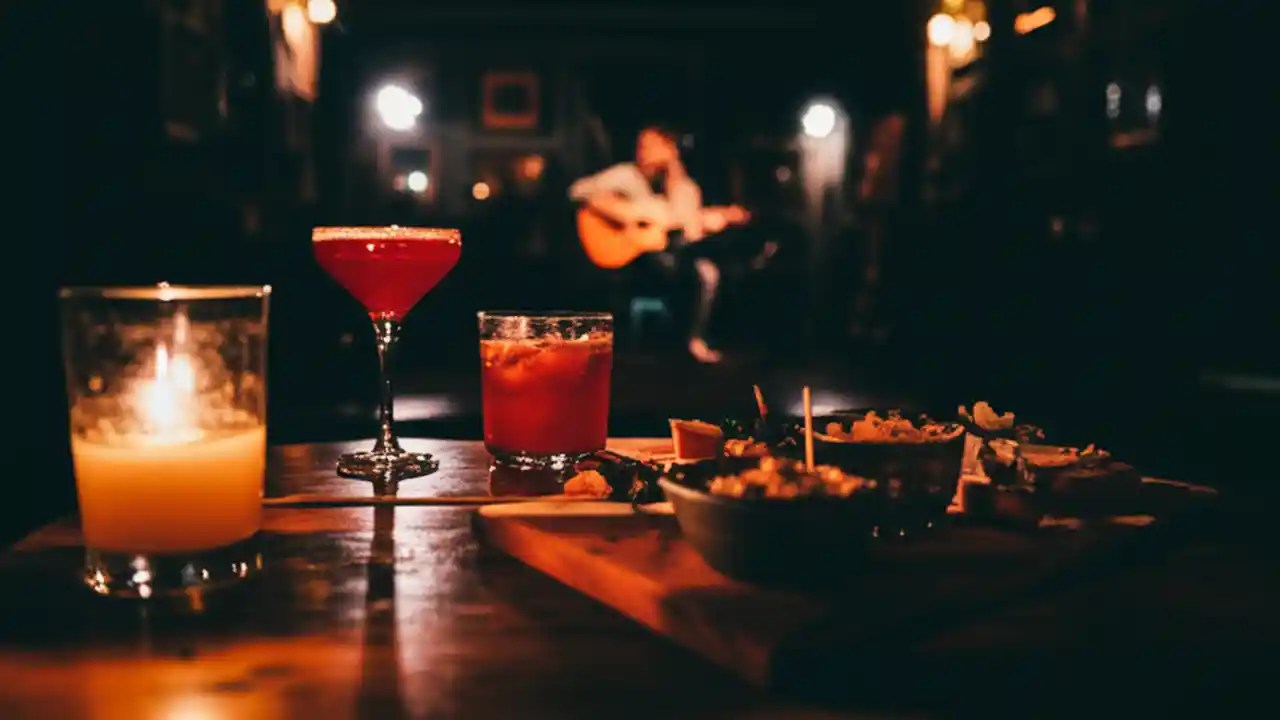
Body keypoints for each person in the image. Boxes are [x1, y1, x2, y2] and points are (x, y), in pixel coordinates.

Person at [569, 125, 749, 363]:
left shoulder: (684, 187)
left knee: (706, 269)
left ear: (669, 149)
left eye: (651, 145)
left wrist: (676, 174)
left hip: (670, 257)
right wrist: (625, 213)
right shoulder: (625, 176)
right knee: (695, 267)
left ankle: (694, 340)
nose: (642, 151)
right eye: (641, 145)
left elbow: (687, 225)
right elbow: (577, 190)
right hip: (634, 261)